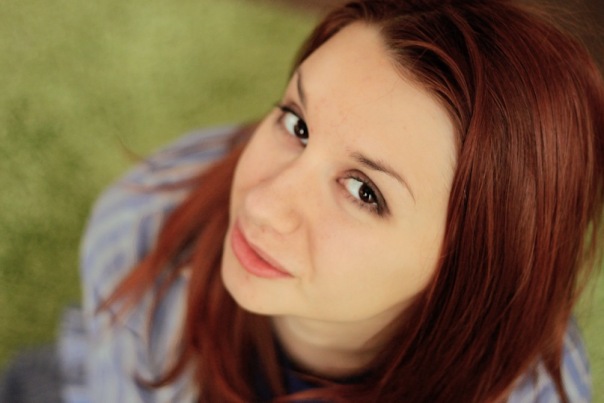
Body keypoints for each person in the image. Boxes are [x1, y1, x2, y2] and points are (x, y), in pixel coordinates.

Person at [76, 0, 604, 401]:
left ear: (474, 265)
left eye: (364, 191)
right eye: (297, 124)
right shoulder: (143, 231)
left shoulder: (537, 393)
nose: (262, 204)